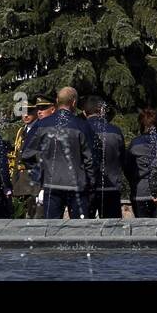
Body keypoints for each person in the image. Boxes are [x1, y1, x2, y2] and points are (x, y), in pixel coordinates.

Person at [20, 87, 95, 219]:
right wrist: (91, 184)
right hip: (77, 185)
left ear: (57, 101)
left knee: (52, 230)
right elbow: (91, 160)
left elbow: (26, 154)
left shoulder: (42, 125)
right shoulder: (81, 125)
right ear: (73, 102)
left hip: (51, 183)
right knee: (81, 230)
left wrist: (41, 173)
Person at [83, 96, 126, 219]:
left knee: (84, 230)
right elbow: (123, 159)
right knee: (111, 230)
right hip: (111, 187)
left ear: (85, 113)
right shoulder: (116, 131)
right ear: (102, 111)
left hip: (87, 189)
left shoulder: (80, 129)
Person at [125, 108, 157, 218]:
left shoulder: (135, 143)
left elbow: (127, 168)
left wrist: (134, 182)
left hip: (140, 192)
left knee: (142, 230)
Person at [10, 99, 43, 219]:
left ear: (35, 112)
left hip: (32, 182)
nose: (25, 115)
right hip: (20, 182)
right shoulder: (21, 131)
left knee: (34, 218)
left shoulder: (39, 130)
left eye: (29, 112)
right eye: (23, 112)